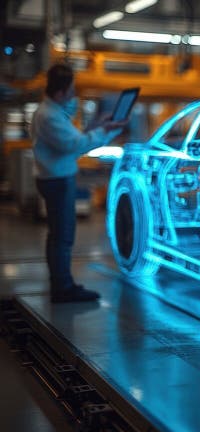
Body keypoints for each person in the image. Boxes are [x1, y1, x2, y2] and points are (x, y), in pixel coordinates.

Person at [31, 63, 126, 303]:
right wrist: (106, 131)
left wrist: (97, 126)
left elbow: (74, 137)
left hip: (54, 177)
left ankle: (62, 284)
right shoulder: (49, 116)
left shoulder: (51, 112)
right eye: (71, 90)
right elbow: (76, 145)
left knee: (58, 236)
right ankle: (62, 288)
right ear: (61, 92)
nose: (74, 94)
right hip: (57, 180)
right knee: (62, 237)